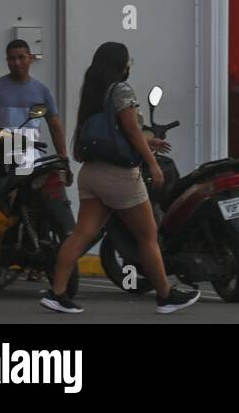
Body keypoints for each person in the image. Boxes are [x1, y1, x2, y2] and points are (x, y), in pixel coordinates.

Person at [41, 42, 200, 315]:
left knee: (81, 234)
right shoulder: (121, 89)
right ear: (121, 64)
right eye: (128, 61)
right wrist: (153, 163)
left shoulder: (93, 91)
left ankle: (57, 293)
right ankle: (165, 295)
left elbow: (111, 134)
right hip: (119, 176)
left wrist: (150, 142)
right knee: (148, 235)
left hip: (91, 173)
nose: (129, 66)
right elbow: (129, 129)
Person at [0, 40, 68, 173]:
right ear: (7, 60)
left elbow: (55, 128)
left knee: (32, 194)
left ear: (31, 58)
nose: (17, 63)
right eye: (12, 58)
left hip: (31, 161)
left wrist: (64, 161)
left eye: (21, 57)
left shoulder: (43, 91)